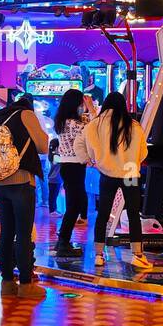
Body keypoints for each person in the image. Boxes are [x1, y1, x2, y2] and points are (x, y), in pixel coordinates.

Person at [0, 95, 49, 299]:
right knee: (23, 233)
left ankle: (6, 283)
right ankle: (25, 285)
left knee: (6, 231)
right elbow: (43, 146)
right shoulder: (26, 114)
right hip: (21, 180)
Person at [84, 91, 150, 271]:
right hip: (129, 174)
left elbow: (90, 150)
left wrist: (98, 161)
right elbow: (143, 152)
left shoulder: (95, 125)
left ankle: (98, 254)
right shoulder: (134, 126)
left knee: (103, 214)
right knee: (133, 213)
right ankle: (138, 255)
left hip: (107, 175)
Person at [51, 87, 94, 257]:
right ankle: (63, 243)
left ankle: (62, 241)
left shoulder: (62, 122)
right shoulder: (75, 124)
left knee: (72, 205)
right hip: (75, 166)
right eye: (80, 103)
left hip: (68, 166)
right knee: (72, 207)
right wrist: (91, 108)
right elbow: (95, 129)